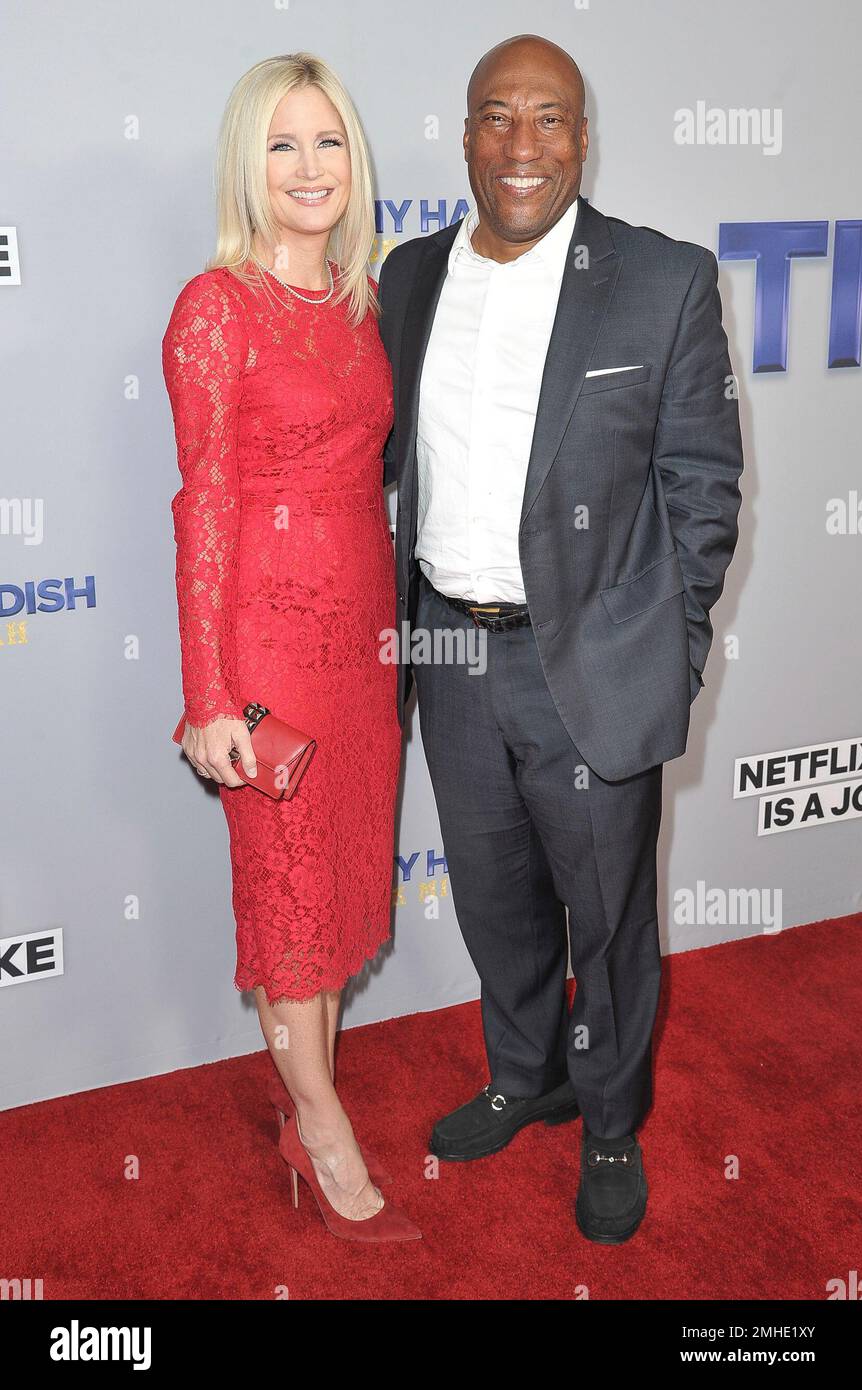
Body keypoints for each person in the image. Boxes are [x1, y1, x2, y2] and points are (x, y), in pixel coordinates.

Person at [376, 33, 743, 1243]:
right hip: (450, 652)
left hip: (591, 657)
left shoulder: (662, 278)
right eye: (496, 117)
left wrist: (672, 645)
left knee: (609, 918)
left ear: (582, 138)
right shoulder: (410, 277)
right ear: (465, 133)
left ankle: (607, 1121)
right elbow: (391, 473)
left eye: (548, 119)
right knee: (495, 900)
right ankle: (524, 1071)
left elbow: (700, 486)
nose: (521, 146)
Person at [163, 52, 420, 1243]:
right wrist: (211, 695)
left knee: (329, 895)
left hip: (365, 650)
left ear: (352, 162)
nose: (308, 167)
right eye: (281, 144)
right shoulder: (214, 309)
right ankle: (317, 1116)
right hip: (264, 652)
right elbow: (203, 503)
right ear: (246, 167)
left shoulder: (361, 301)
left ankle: (305, 1093)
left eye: (326, 143)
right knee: (286, 908)